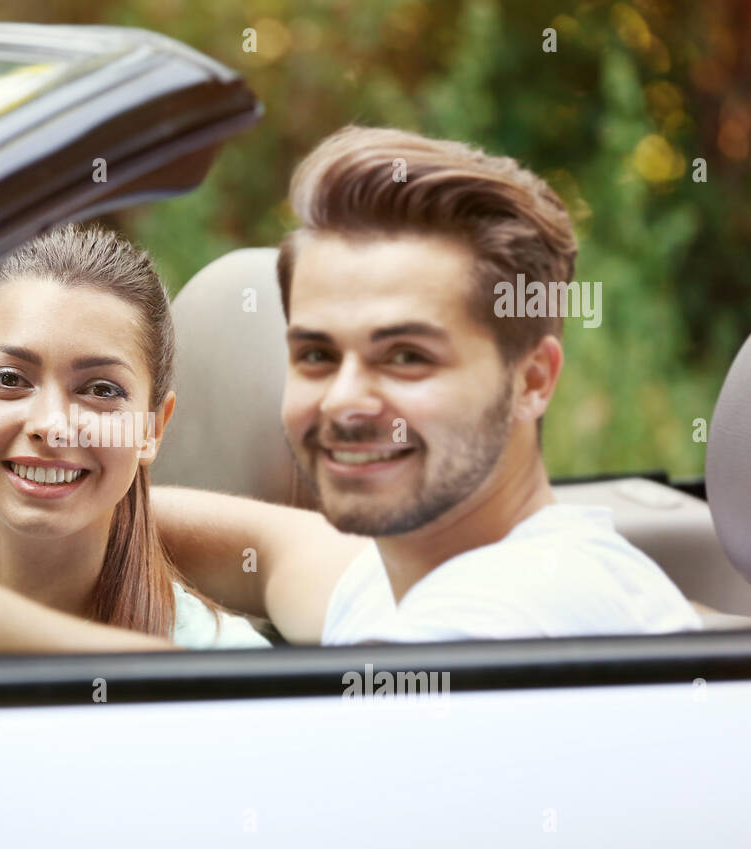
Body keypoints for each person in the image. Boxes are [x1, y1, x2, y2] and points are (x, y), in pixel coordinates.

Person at [154, 126, 701, 643]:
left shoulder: (496, 623)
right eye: (317, 355)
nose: (343, 402)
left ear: (532, 381)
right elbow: (272, 548)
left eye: (407, 357)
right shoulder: (432, 571)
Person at [0, 222, 271, 656]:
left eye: (102, 390)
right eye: (9, 379)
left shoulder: (226, 665)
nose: (51, 425)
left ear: (152, 429)